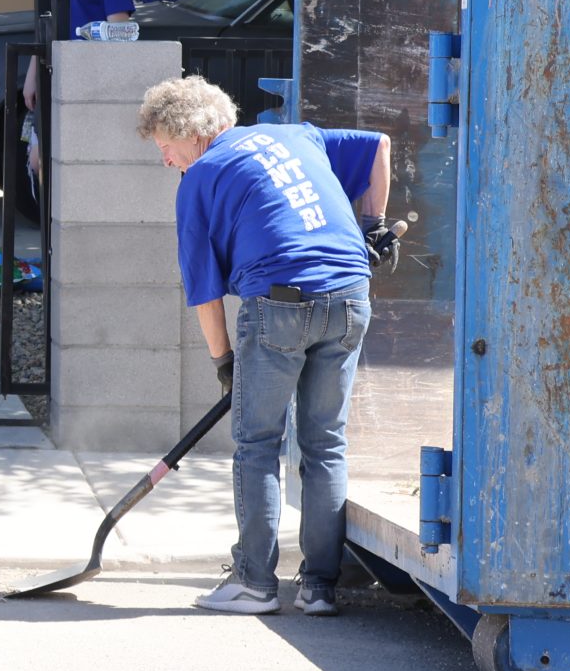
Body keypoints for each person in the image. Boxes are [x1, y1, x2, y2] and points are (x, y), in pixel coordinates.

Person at [137, 74, 396, 616]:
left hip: (278, 307)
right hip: (350, 296)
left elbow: (204, 294)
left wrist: (224, 363)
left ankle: (254, 582)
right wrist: (371, 228)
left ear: (192, 132)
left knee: (257, 443)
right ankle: (319, 588)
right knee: (324, 444)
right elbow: (379, 147)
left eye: (166, 147)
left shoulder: (200, 177)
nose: (166, 160)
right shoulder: (295, 136)